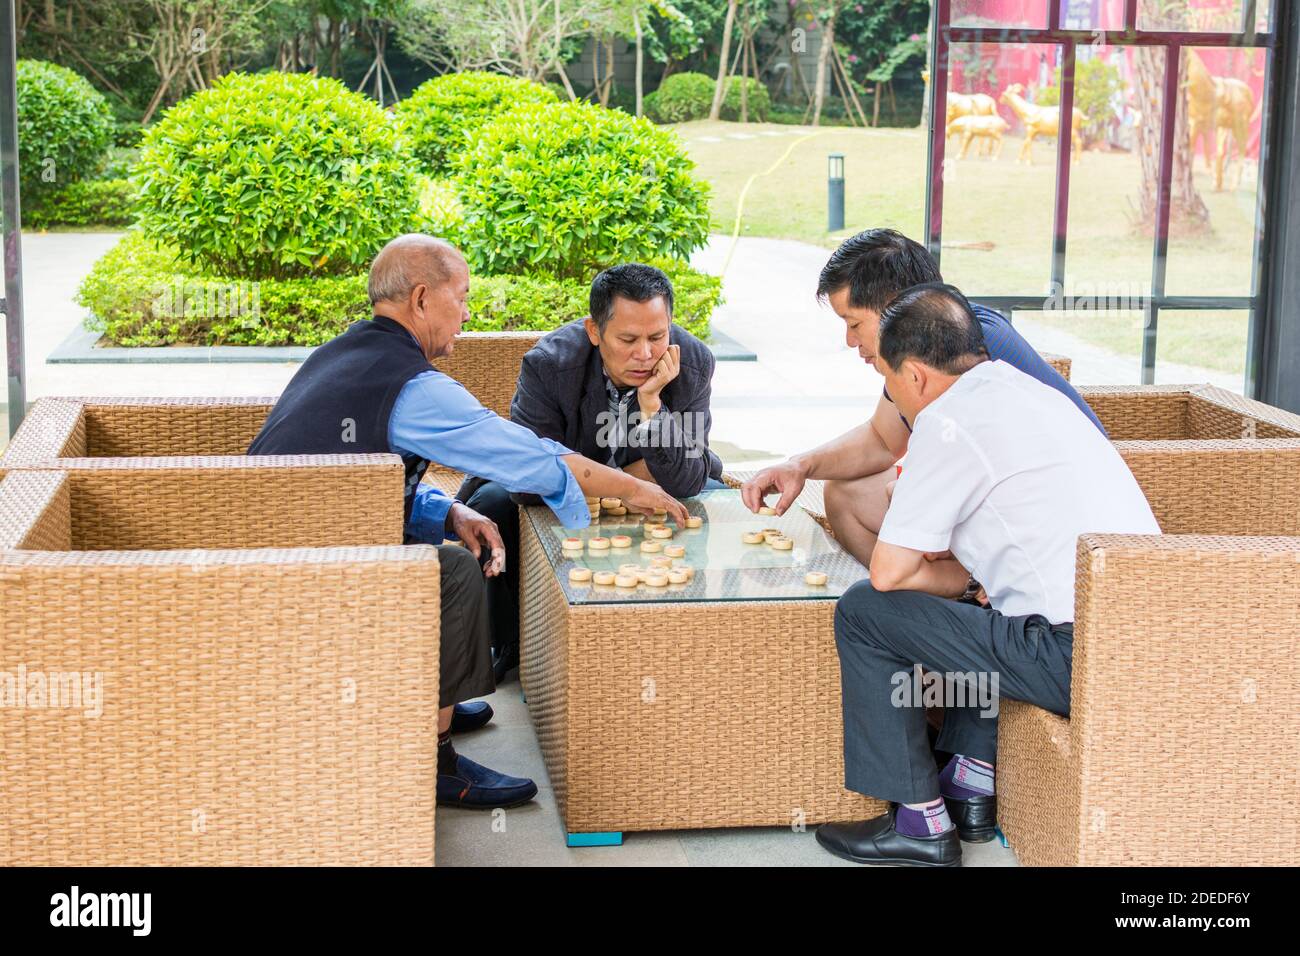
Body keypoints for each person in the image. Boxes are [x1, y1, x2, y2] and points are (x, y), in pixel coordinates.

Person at [247, 234, 686, 810]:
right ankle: (433, 762)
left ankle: (432, 695)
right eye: (464, 297)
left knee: (459, 538)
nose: (469, 314)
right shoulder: (415, 386)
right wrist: (636, 488)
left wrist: (447, 509)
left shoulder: (345, 352)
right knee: (455, 573)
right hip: (296, 567)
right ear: (424, 299)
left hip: (279, 539)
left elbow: (358, 479)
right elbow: (531, 455)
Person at [814, 284, 1160, 866]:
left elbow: (890, 573)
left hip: (1076, 657)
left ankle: (918, 821)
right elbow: (978, 570)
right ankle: (970, 784)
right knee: (985, 606)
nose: (892, 397)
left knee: (864, 611)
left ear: (916, 376)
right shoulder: (1029, 392)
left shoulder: (947, 422)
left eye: (887, 378)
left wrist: (923, 533)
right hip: (1136, 636)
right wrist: (955, 581)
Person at [740, 228, 1106, 566]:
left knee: (902, 498)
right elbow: (883, 440)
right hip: (1008, 504)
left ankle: (943, 604)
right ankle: (928, 602)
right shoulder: (929, 340)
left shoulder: (964, 346)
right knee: (848, 494)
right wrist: (799, 466)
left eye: (854, 324)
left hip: (1053, 527)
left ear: (896, 307)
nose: (850, 342)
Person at [458, 262, 723, 680]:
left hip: (617, 475)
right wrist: (630, 482)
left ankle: (678, 624)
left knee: (702, 494)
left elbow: (687, 478)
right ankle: (516, 637)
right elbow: (531, 477)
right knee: (495, 503)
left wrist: (652, 407)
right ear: (595, 331)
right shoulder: (549, 364)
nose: (646, 354)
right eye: (628, 339)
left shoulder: (690, 363)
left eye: (657, 337)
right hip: (572, 485)